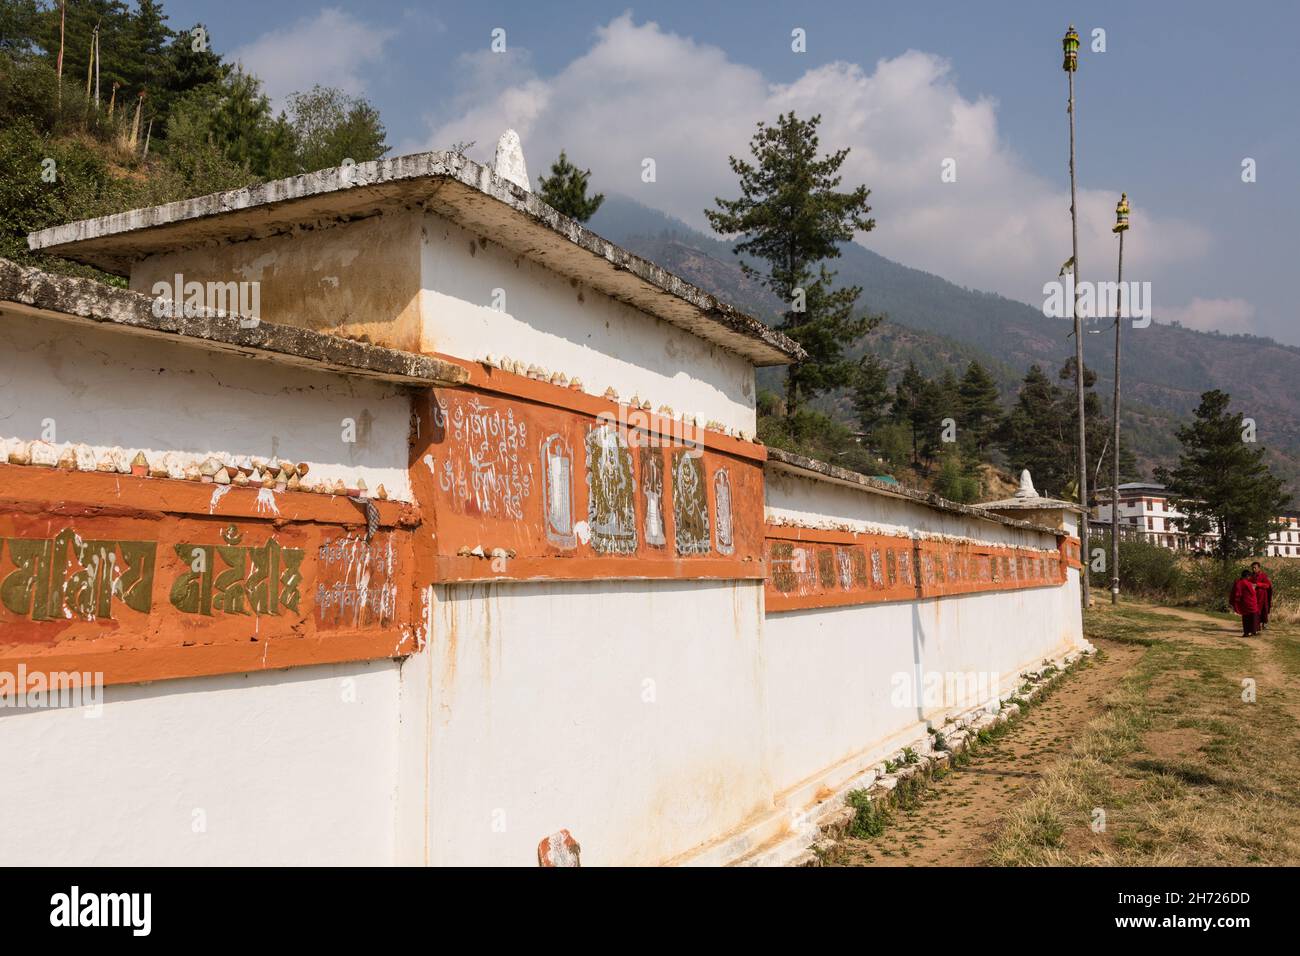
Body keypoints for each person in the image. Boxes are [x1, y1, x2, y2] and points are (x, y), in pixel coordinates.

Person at [1230, 569, 1259, 637]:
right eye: (1249, 576)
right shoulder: (1243, 582)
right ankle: (1253, 631)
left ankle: (1247, 632)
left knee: (1246, 617)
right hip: (1249, 602)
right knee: (1253, 617)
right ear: (1247, 576)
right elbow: (1239, 593)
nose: (1250, 578)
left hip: (1247, 602)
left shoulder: (1240, 582)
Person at [1250, 561, 1273, 630]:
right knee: (1256, 611)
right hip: (1254, 597)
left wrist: (1258, 585)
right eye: (1252, 568)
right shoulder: (1251, 576)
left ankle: (1264, 624)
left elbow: (1268, 585)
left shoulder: (1263, 575)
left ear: (1259, 568)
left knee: (1264, 611)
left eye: (1255, 568)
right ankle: (1257, 625)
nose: (1254, 569)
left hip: (1263, 596)